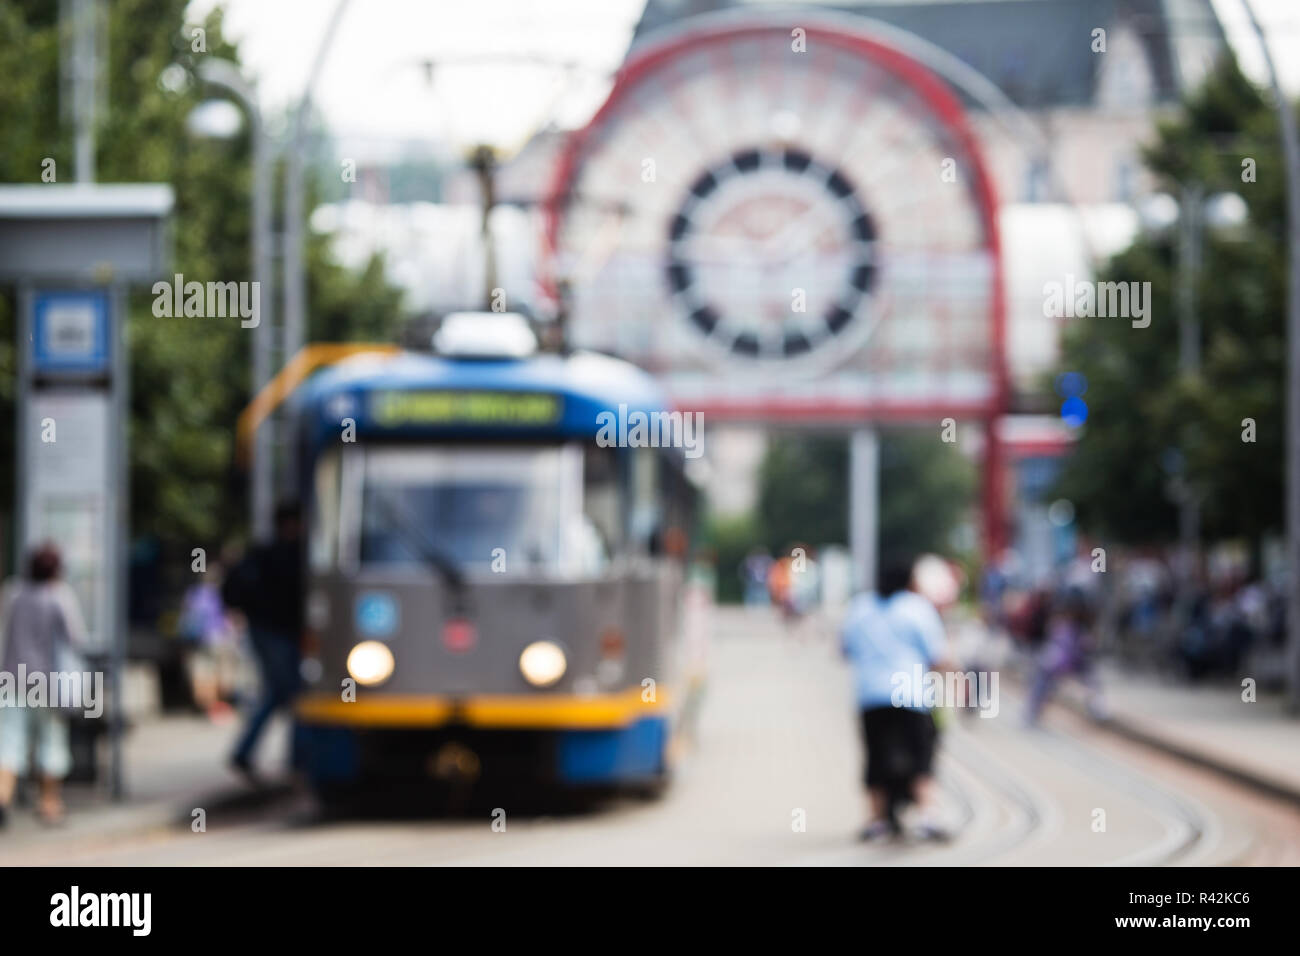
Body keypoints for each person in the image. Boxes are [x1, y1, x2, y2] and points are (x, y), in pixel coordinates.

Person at [840, 557, 950, 841]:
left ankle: (877, 820)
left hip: (871, 694)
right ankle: (928, 816)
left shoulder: (859, 607)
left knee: (875, 756)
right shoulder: (916, 608)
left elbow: (845, 649)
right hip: (911, 693)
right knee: (921, 755)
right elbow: (936, 654)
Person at [0, 543, 89, 827]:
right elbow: (76, 637)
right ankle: (49, 804)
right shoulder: (59, 596)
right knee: (51, 741)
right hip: (48, 682)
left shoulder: (12, 593)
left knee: (8, 741)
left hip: (12, 677)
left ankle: (3, 796)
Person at [222, 503, 304, 785]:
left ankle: (250, 753)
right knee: (291, 694)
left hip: (268, 632)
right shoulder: (284, 554)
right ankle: (296, 760)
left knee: (280, 693)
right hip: (276, 633)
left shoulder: (263, 553)